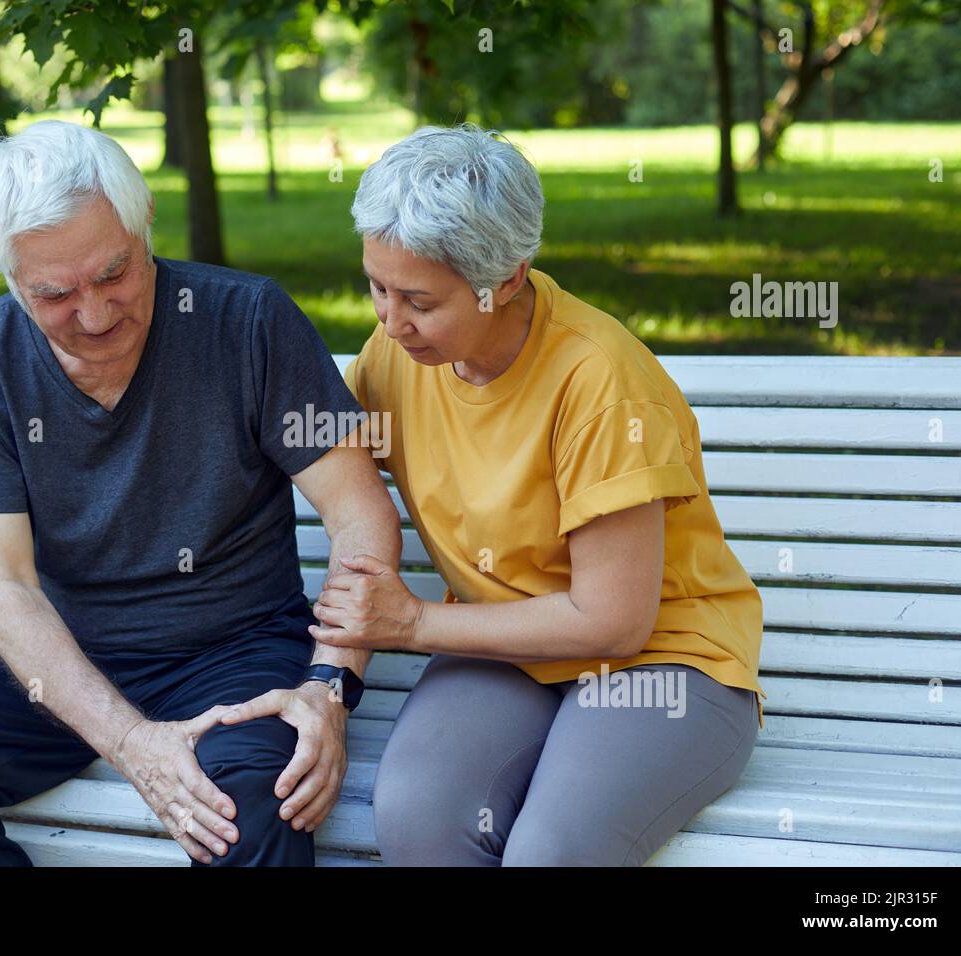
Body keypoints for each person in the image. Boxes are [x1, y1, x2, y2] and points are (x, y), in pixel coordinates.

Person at [0, 120, 401, 866]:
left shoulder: (247, 320)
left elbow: (359, 512)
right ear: (10, 279)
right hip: (69, 658)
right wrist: (130, 742)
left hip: (234, 650)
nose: (97, 315)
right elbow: (2, 584)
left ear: (145, 230)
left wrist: (329, 688)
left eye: (115, 273)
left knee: (258, 810)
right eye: (55, 294)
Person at [318, 124, 768, 866]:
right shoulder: (399, 356)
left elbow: (613, 623)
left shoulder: (601, 382)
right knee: (415, 818)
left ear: (509, 278)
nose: (390, 322)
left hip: (662, 661)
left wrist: (414, 622)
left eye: (419, 301)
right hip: (506, 651)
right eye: (377, 287)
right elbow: (325, 469)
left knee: (552, 851)